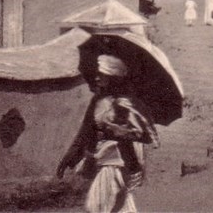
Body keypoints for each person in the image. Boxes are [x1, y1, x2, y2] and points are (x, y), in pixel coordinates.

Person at [56, 55, 158, 213]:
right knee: (119, 207)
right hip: (102, 159)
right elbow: (85, 132)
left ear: (113, 78)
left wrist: (123, 132)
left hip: (118, 161)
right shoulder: (97, 101)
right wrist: (69, 158)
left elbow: (146, 135)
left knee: (96, 206)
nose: (97, 78)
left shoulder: (125, 103)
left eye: (102, 75)